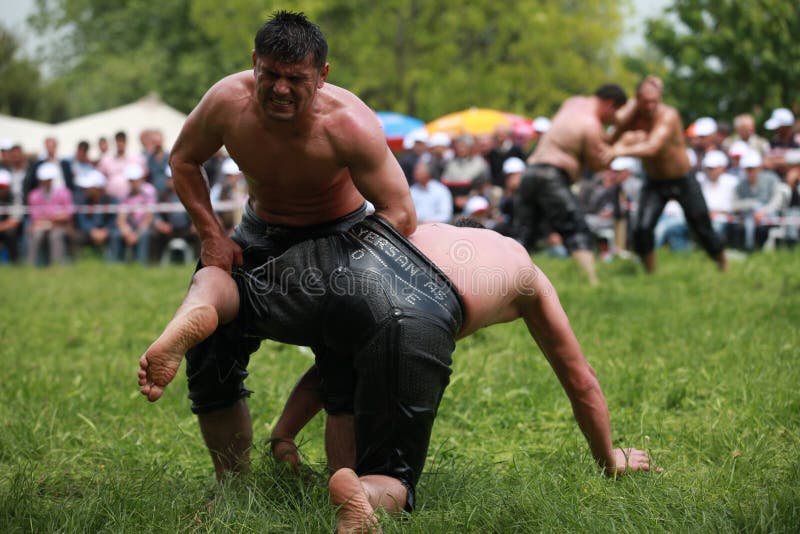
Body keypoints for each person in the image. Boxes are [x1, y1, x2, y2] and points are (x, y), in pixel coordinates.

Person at [138, 215, 659, 534]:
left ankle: (212, 300)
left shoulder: (432, 230)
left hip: (362, 255)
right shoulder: (522, 268)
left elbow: (325, 370)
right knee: (393, 477)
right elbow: (579, 378)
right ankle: (366, 493)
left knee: (260, 307)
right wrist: (608, 458)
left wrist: (285, 434)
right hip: (424, 300)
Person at [160, 10, 415, 482]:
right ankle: (233, 486)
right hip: (257, 233)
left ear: (322, 76)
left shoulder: (350, 124)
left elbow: (401, 212)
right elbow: (183, 160)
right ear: (254, 62)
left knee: (347, 364)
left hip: (341, 236)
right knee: (210, 346)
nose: (280, 88)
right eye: (270, 75)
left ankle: (348, 494)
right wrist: (211, 234)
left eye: (295, 79)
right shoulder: (225, 101)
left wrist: (347, 268)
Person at [605, 75, 726, 273]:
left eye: (654, 101)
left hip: (683, 179)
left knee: (702, 227)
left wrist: (619, 151)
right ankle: (650, 275)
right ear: (637, 99)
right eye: (646, 102)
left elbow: (652, 147)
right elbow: (613, 131)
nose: (651, 106)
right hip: (654, 182)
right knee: (642, 228)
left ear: (660, 98)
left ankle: (723, 265)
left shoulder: (668, 115)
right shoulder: (634, 116)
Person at [515, 84, 628, 285]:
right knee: (576, 228)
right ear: (610, 104)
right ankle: (592, 283)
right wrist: (616, 148)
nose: (614, 119)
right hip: (552, 176)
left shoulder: (573, 102)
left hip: (530, 172)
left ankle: (505, 282)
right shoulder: (592, 126)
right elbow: (597, 164)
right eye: (615, 114)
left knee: (523, 232)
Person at [409, 156, 453, 223]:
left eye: (418, 171)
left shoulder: (441, 190)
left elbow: (446, 215)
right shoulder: (412, 190)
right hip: (415, 226)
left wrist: (426, 222)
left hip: (436, 227)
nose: (415, 173)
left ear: (427, 173)